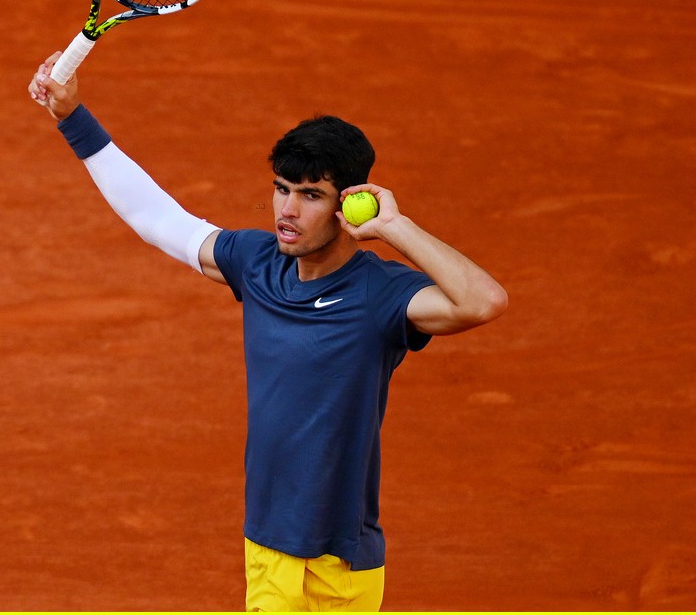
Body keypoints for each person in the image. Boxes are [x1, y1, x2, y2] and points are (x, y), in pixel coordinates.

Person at [29, 53, 507, 612]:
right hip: (273, 548)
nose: (286, 210)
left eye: (311, 196)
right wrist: (72, 117)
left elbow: (483, 301)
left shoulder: (381, 295)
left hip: (350, 556)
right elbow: (157, 219)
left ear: (350, 205)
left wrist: (395, 227)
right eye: (282, 189)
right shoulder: (256, 264)